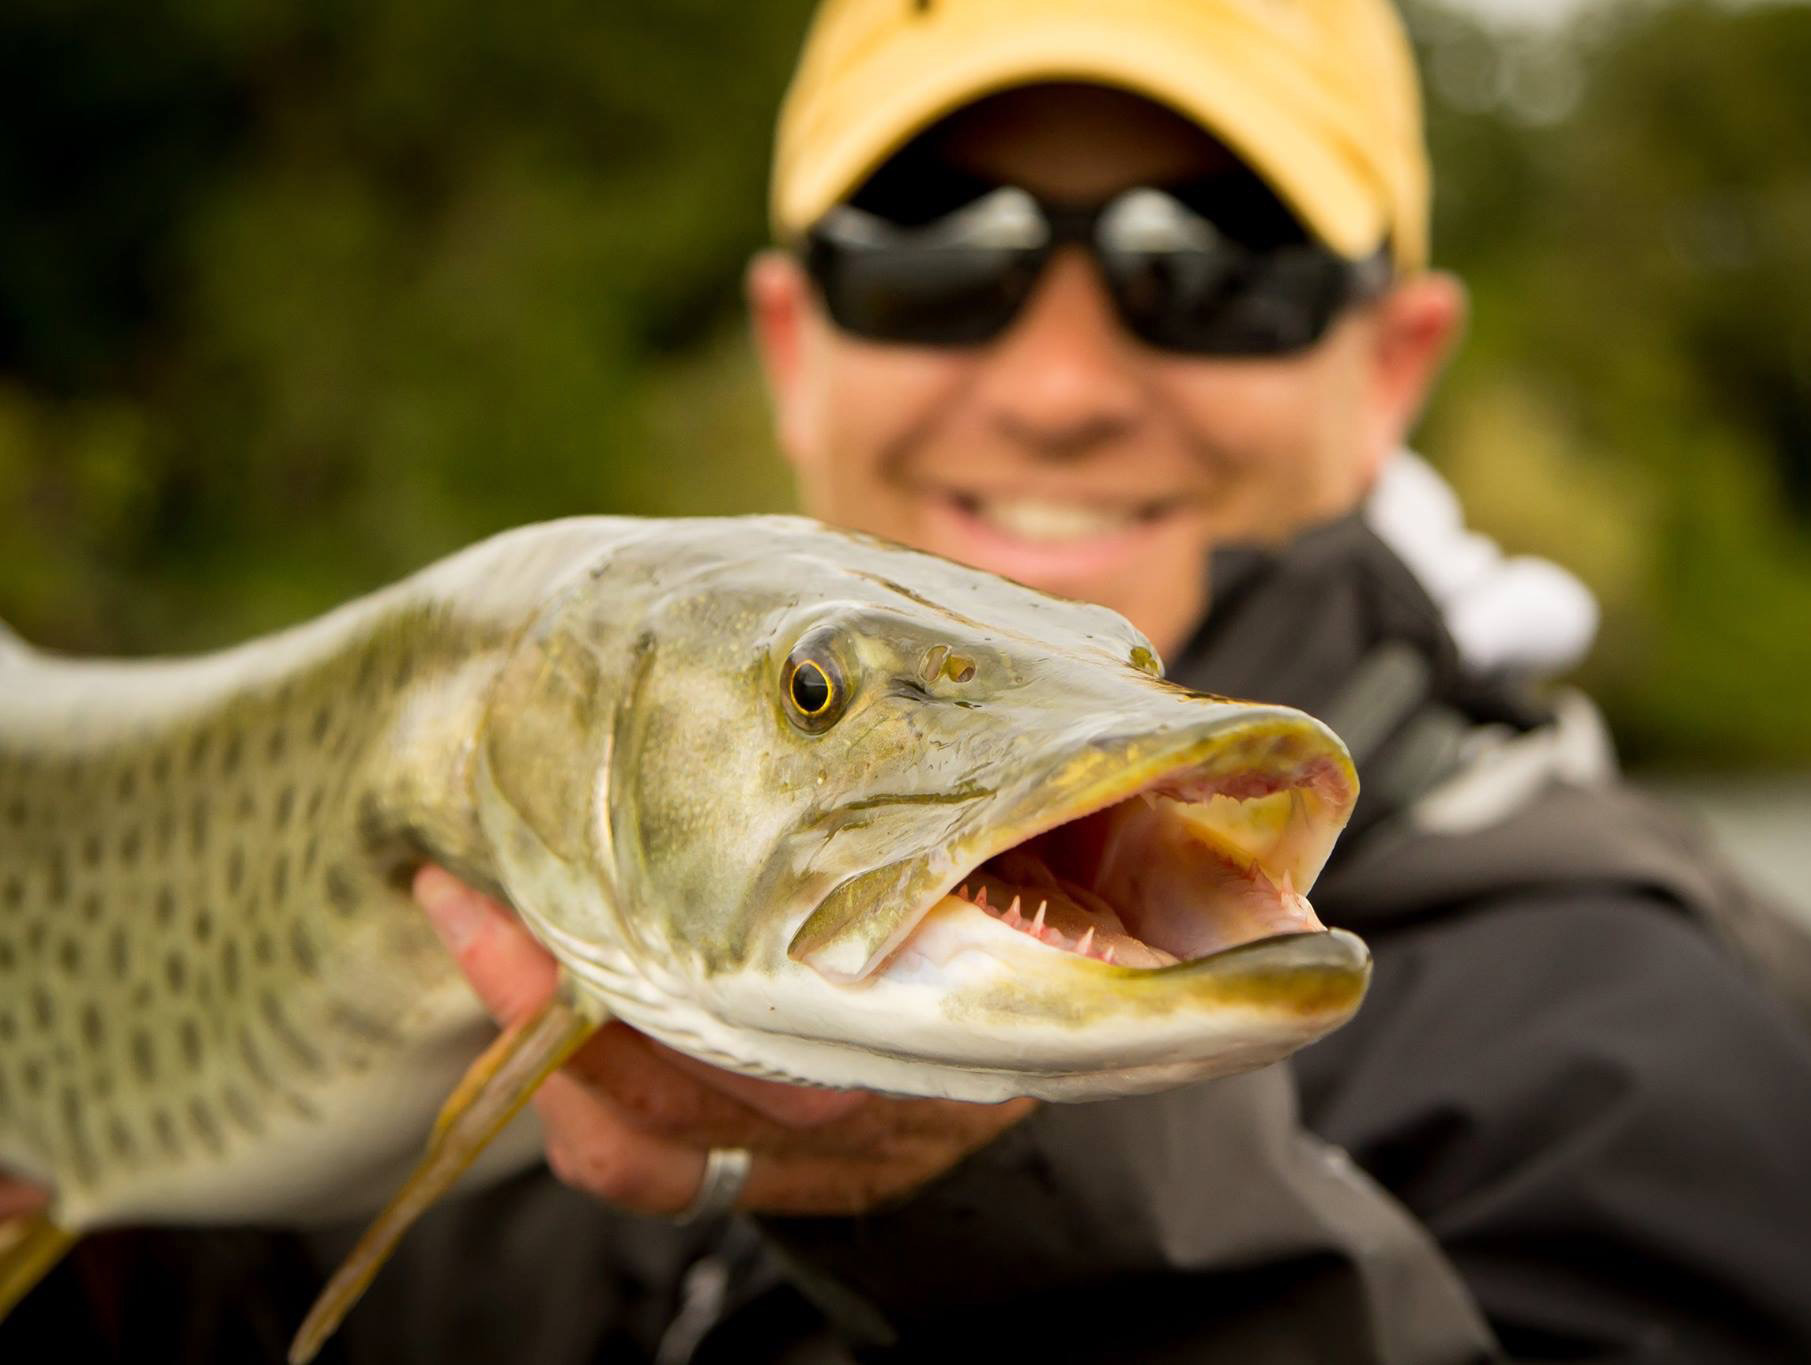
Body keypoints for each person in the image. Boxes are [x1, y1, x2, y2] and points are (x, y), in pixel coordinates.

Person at [7, 1, 1811, 1361]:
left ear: (1397, 363)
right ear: (795, 342)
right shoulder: (536, 883)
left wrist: (1016, 1206)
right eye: (942, 258)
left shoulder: (1655, 1042)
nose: (1055, 383)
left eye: (1214, 272)